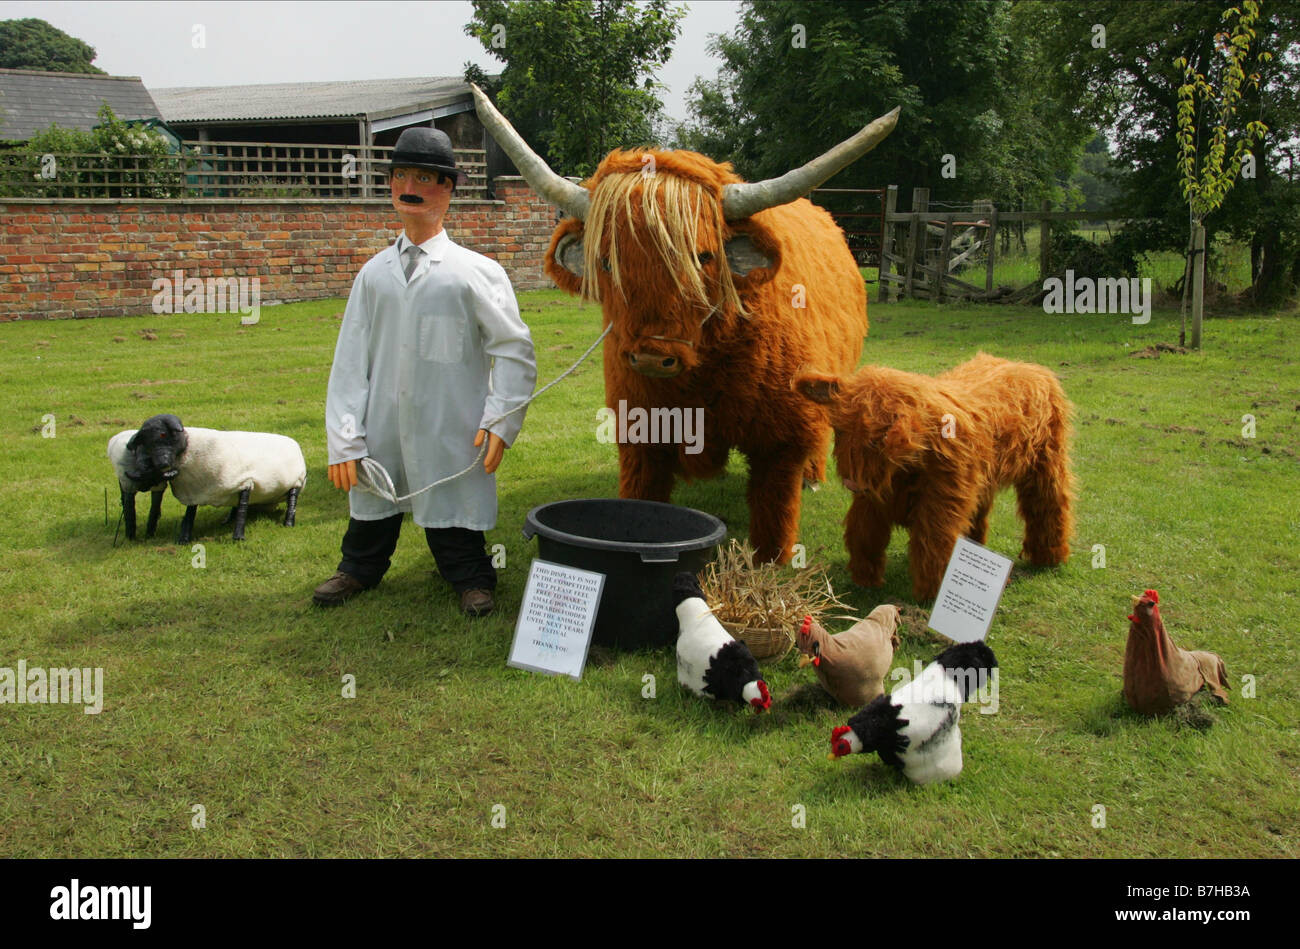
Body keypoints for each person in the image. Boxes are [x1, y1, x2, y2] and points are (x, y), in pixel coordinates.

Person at [313, 127, 537, 616]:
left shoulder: (475, 272)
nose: (410, 186)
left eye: (425, 178)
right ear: (391, 184)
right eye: (402, 176)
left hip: (449, 419)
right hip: (384, 420)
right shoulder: (373, 276)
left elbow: (514, 349)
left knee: (450, 497)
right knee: (375, 496)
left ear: (449, 189)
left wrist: (501, 418)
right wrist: (345, 437)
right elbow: (350, 360)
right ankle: (358, 567)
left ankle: (470, 576)